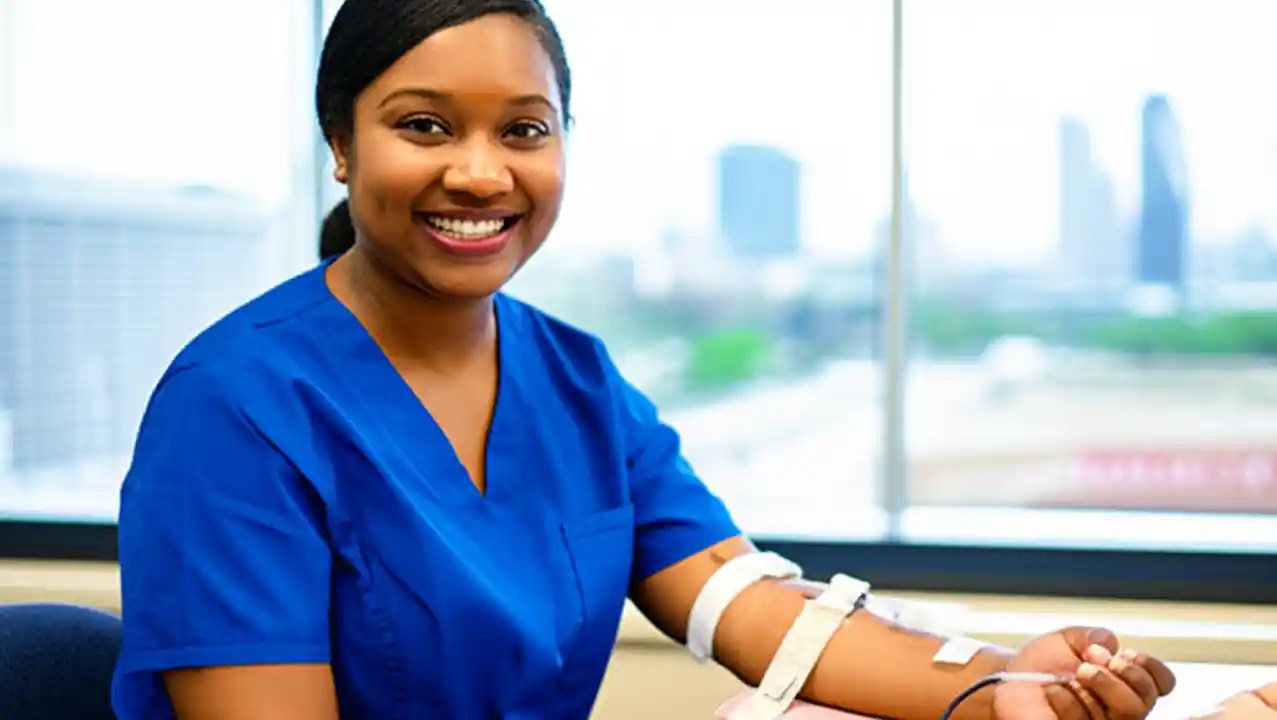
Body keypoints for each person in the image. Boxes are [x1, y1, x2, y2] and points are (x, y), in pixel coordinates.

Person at [112, 1, 1178, 718]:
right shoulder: (235, 411)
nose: (480, 174)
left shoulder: (573, 379)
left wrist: (994, 684)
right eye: (425, 126)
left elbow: (741, 599)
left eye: (523, 131)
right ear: (341, 146)